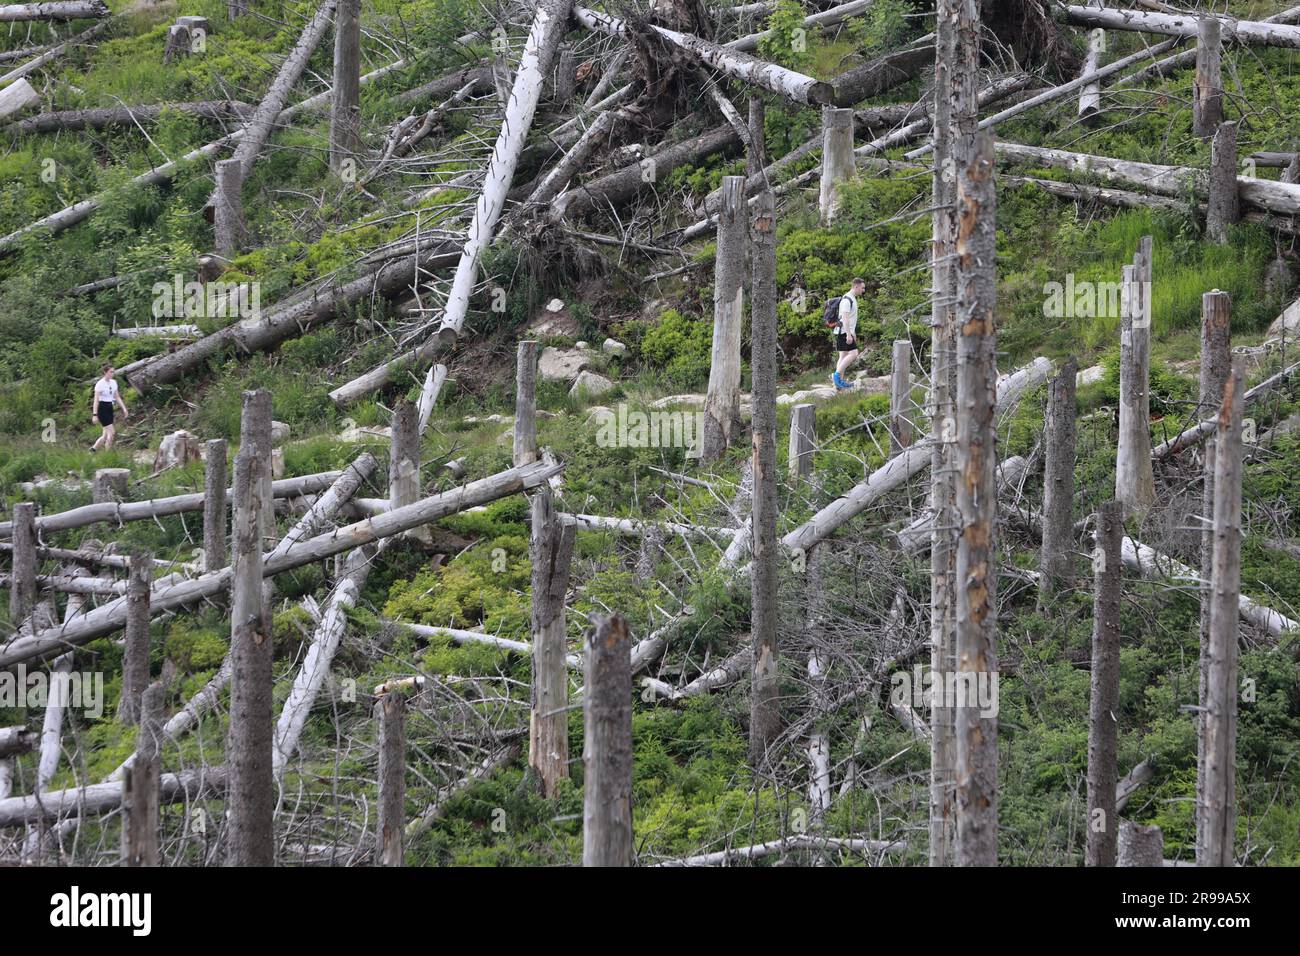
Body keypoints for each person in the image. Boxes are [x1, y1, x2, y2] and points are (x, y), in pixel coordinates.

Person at [832, 277, 865, 390]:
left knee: (843, 356)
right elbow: (845, 319)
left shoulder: (852, 298)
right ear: (856, 286)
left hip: (845, 332)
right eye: (862, 287)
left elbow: (850, 319)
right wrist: (848, 334)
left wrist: (853, 332)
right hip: (844, 332)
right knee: (854, 353)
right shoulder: (847, 300)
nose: (863, 290)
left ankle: (839, 383)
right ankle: (836, 376)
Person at [91, 365, 129, 451]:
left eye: (113, 372)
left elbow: (117, 397)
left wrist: (124, 408)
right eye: (111, 372)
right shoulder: (99, 384)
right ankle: (107, 454)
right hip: (102, 408)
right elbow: (96, 400)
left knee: (105, 435)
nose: (112, 373)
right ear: (105, 372)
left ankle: (93, 450)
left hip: (109, 407)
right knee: (112, 432)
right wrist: (94, 415)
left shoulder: (113, 382)